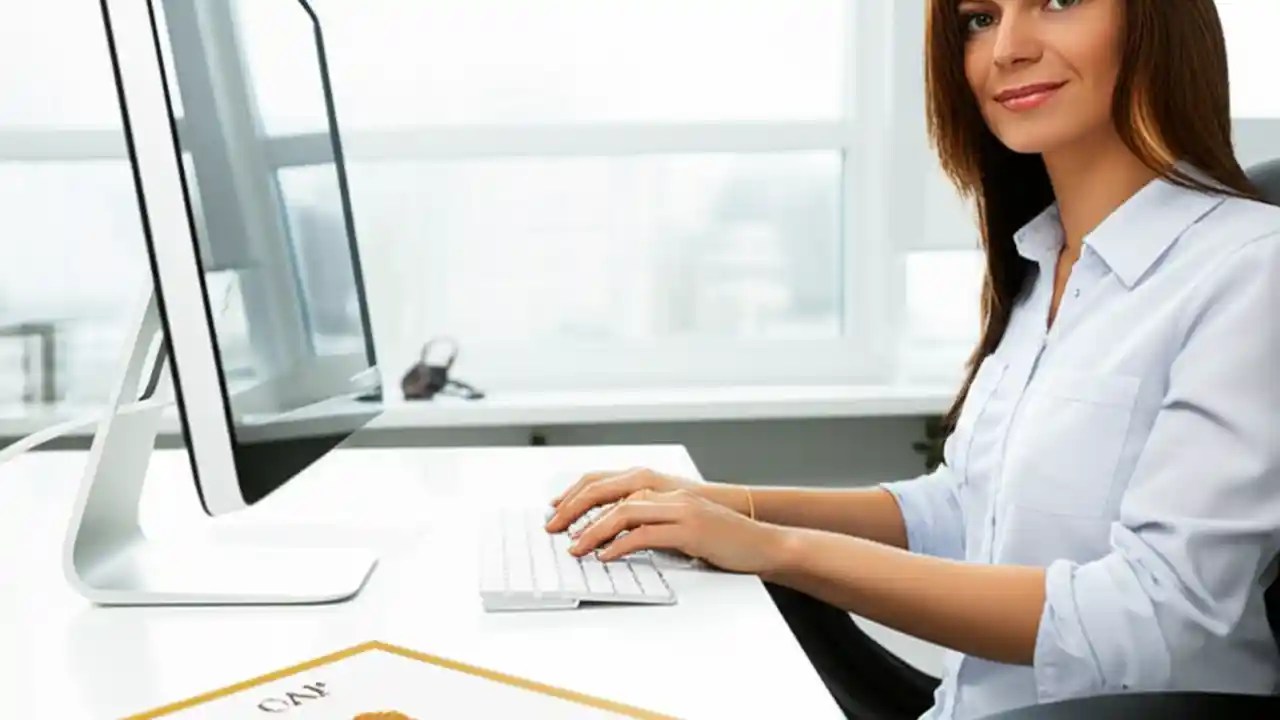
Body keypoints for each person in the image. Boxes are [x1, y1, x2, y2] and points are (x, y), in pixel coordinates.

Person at [544, 0, 1280, 717]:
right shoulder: (1049, 259)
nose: (1007, 49)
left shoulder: (1249, 269)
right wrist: (717, 504)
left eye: (1057, 1)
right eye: (978, 19)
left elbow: (1159, 613)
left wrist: (776, 547)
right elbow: (963, 506)